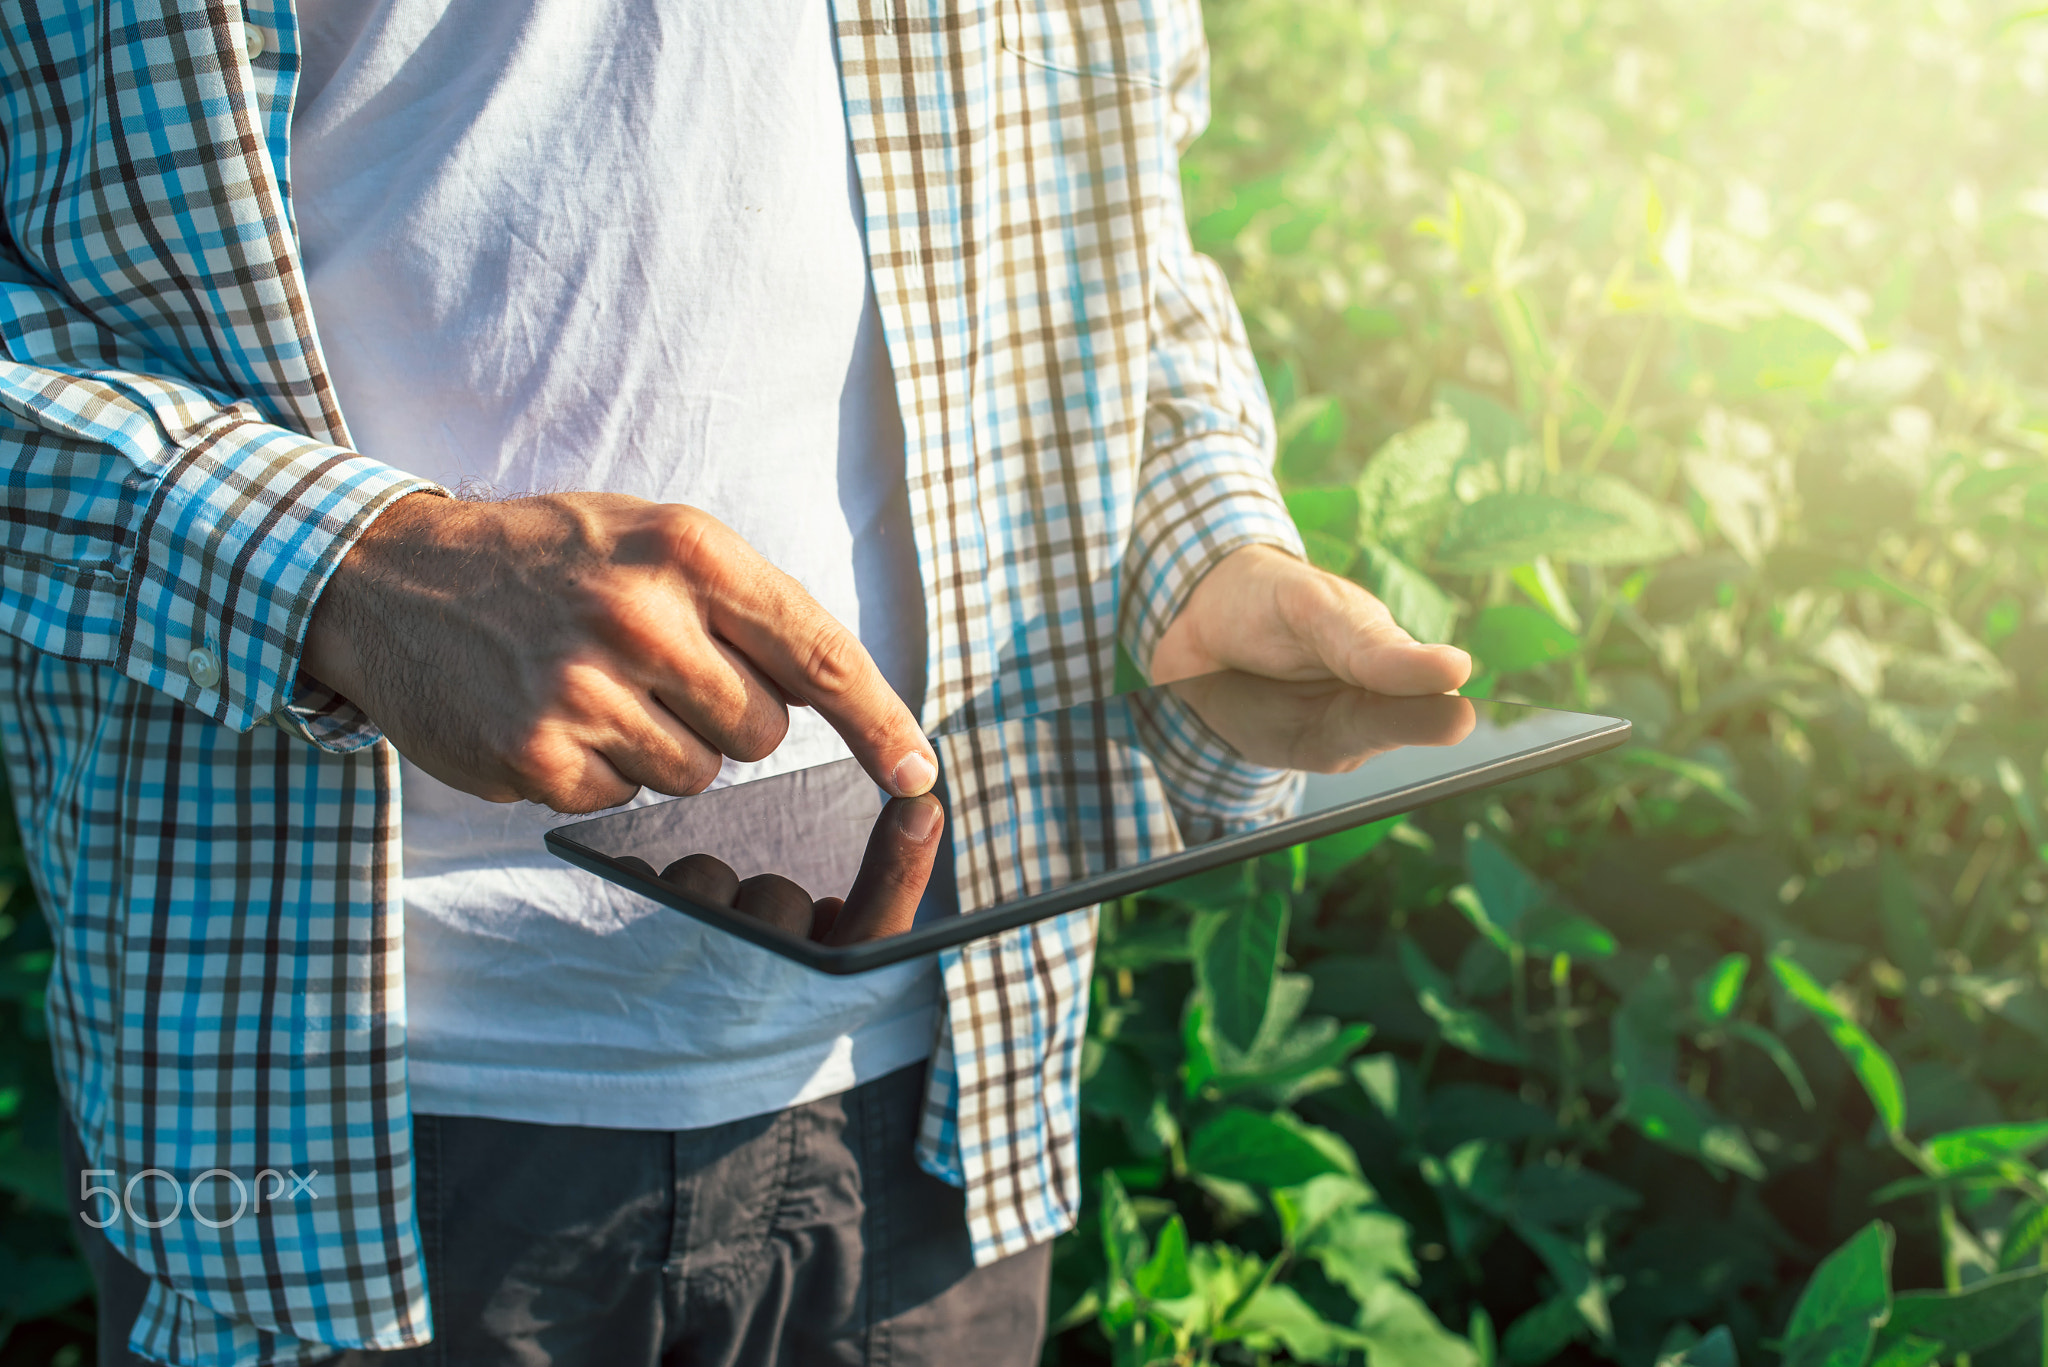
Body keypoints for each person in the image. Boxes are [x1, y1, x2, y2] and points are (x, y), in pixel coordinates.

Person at [0, 2, 1471, 1363]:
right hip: (324, 1130)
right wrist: (343, 572)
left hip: (943, 1096)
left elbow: (1112, 233)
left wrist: (1199, 545)